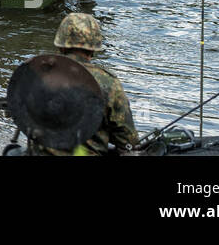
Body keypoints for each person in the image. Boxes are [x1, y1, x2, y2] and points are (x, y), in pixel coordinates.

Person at [30, 13, 138, 156]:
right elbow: (127, 140)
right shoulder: (108, 82)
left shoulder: (39, 75)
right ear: (92, 49)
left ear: (61, 46)